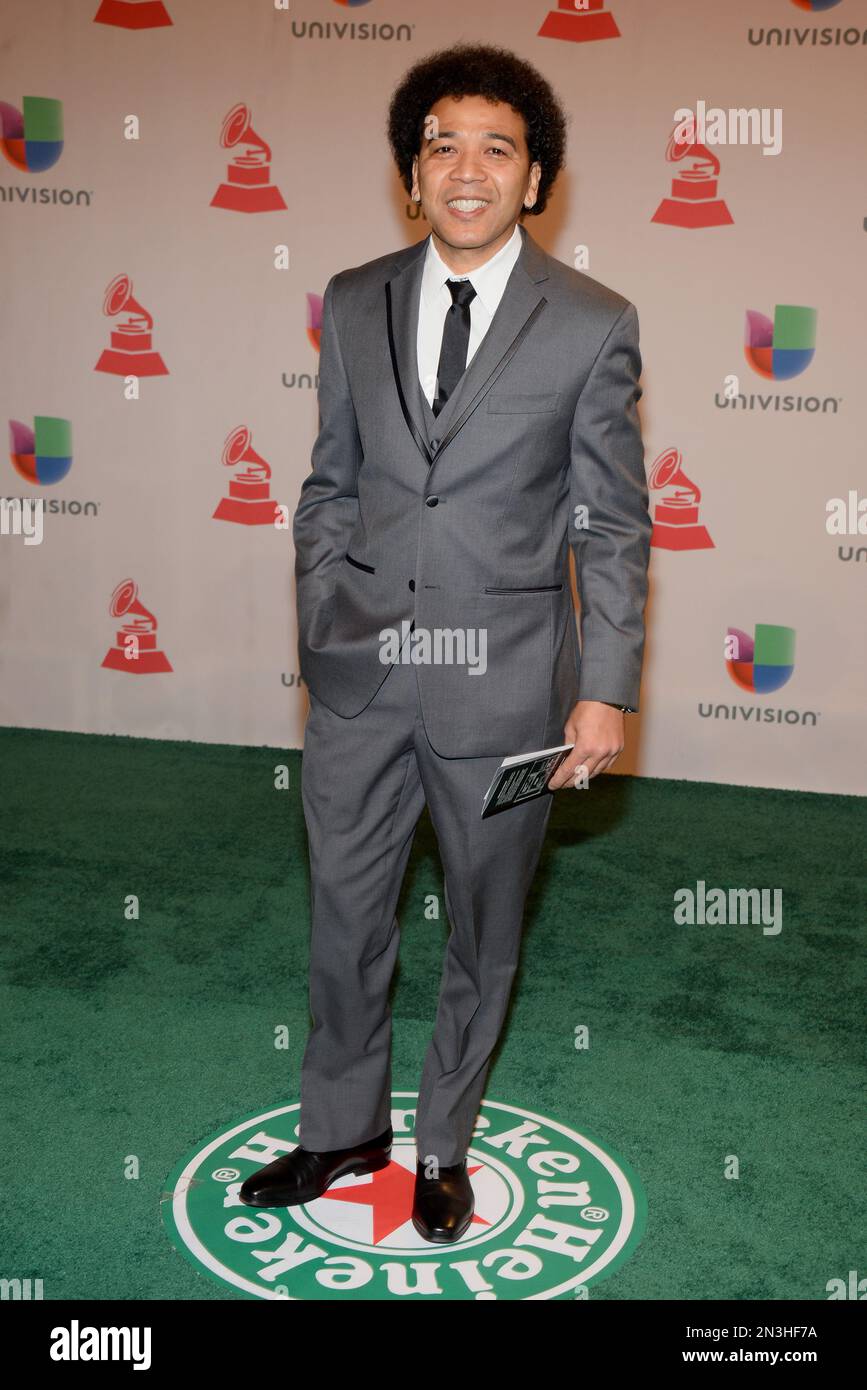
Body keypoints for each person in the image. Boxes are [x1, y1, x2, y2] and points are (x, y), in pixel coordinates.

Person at [240, 42, 652, 1243]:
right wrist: (325, 608)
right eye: (440, 145)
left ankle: (443, 1144)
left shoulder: (593, 322)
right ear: (409, 173)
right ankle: (339, 1130)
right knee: (344, 918)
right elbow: (331, 484)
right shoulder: (351, 297)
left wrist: (607, 689)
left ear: (537, 179)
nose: (465, 169)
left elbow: (614, 524)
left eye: (497, 147)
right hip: (362, 680)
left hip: (512, 691)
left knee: (483, 927)